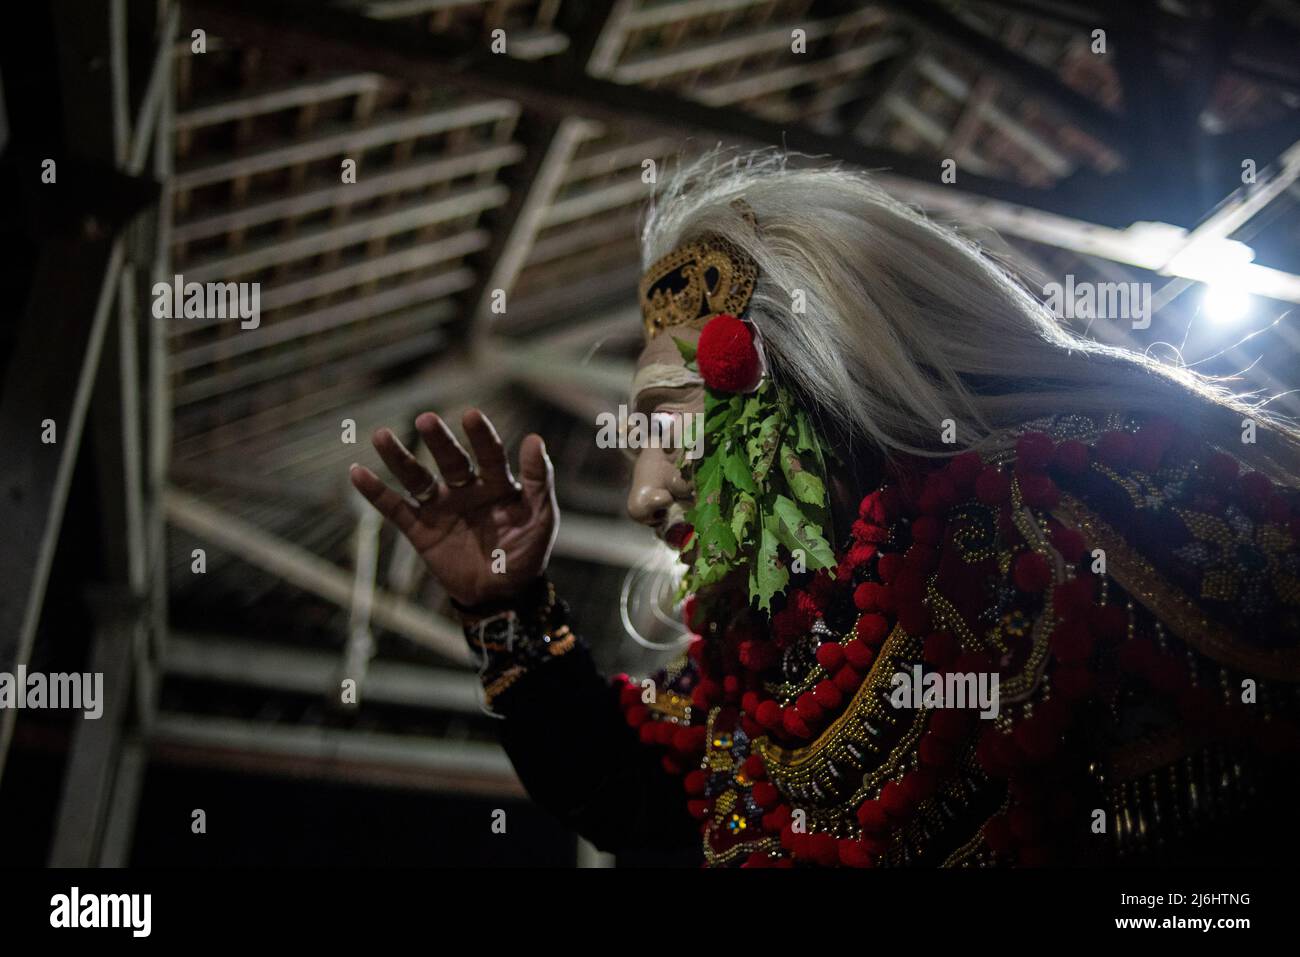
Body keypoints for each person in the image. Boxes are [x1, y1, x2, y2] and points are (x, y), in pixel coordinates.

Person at [349, 151, 1300, 867]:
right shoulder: (755, 656)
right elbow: (640, 799)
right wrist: (505, 611)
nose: (642, 496)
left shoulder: (1062, 508)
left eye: (667, 424)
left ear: (800, 386)